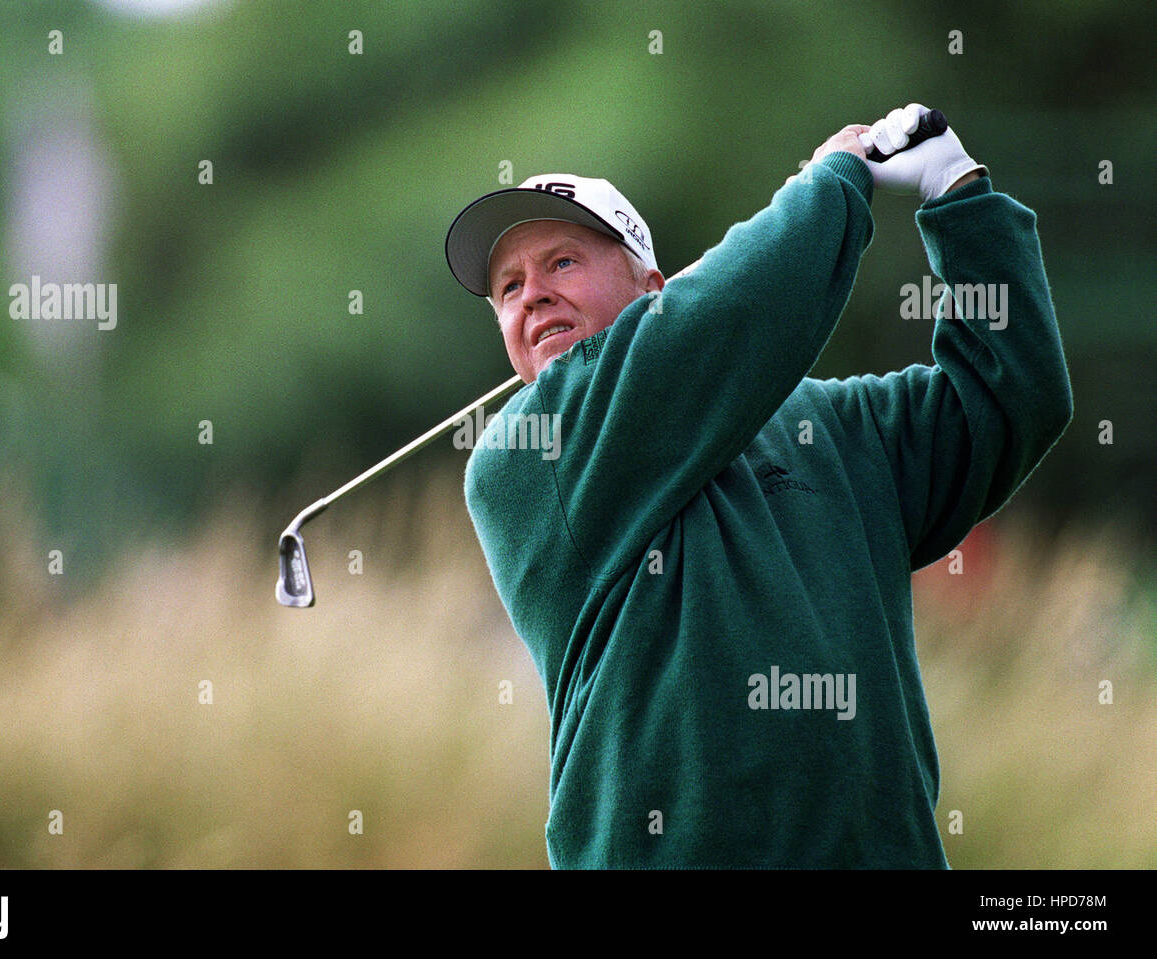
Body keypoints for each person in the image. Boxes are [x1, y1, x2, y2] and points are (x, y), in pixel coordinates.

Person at [444, 104, 1073, 868]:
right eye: (507, 287)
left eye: (562, 262)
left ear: (649, 285)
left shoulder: (837, 425)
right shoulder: (524, 452)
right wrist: (831, 181)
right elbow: (726, 317)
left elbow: (1013, 397)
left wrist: (960, 200)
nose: (530, 295)